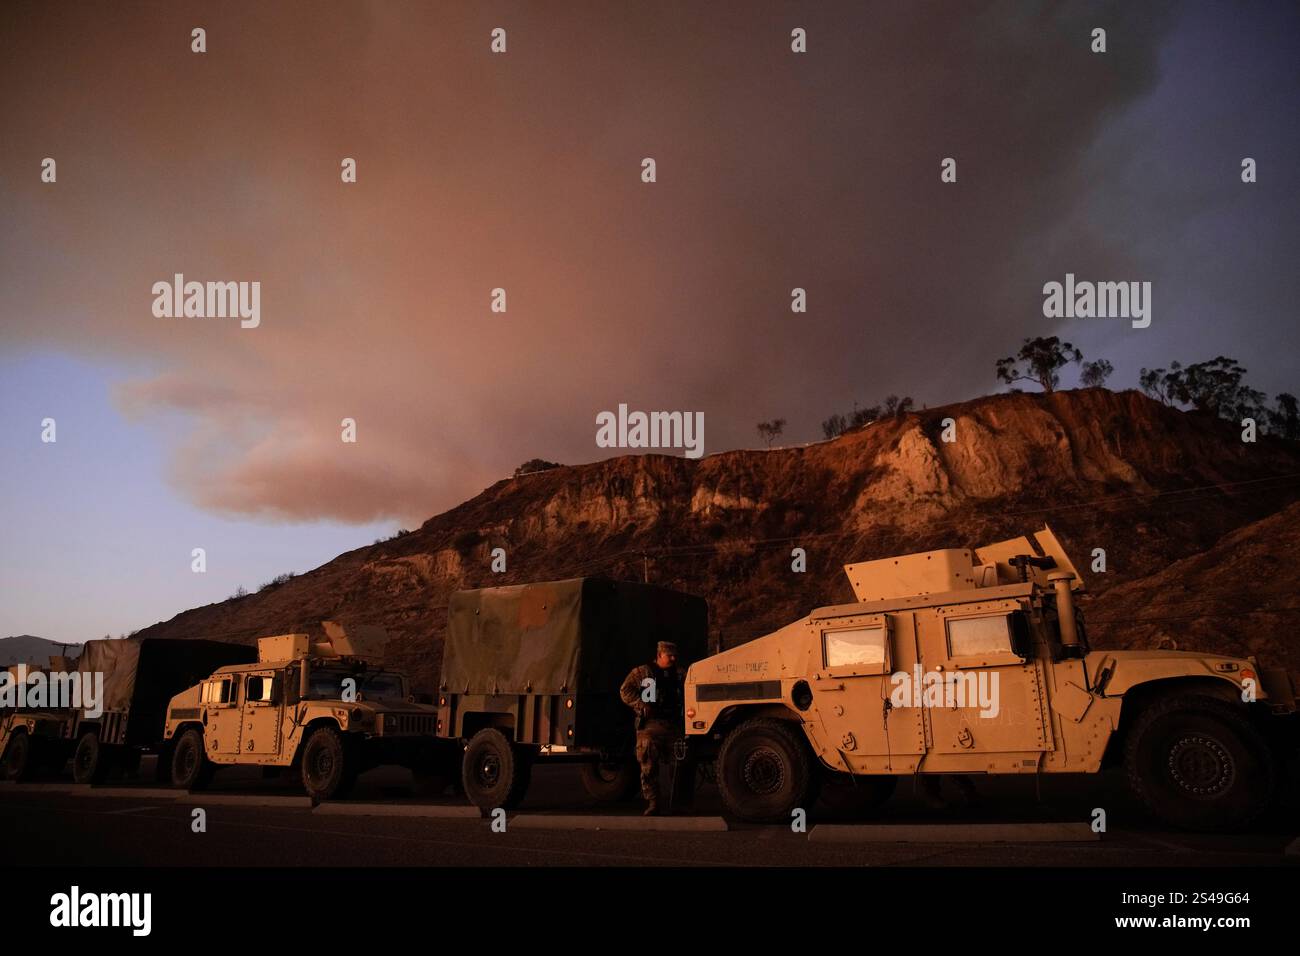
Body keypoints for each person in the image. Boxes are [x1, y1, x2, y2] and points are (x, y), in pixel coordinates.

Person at [619, 641, 686, 815]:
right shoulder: (643, 672)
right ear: (659, 655)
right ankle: (653, 803)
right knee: (648, 766)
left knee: (679, 766)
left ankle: (678, 803)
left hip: (673, 726)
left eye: (674, 655)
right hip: (650, 726)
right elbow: (625, 690)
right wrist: (640, 704)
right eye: (668, 655)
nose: (673, 658)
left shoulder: (680, 674)